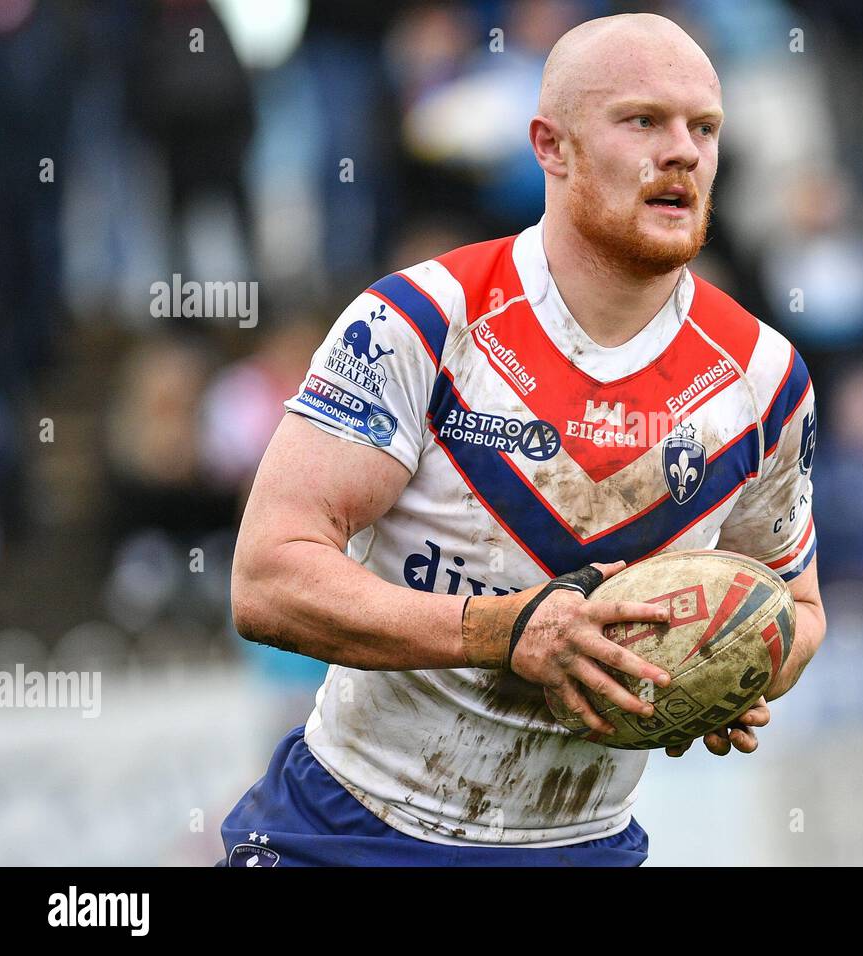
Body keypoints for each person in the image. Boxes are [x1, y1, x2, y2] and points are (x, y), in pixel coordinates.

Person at [218, 13, 825, 867]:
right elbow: (267, 578)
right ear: (552, 147)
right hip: (352, 832)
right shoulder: (421, 321)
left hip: (580, 849)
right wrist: (503, 633)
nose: (683, 151)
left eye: (705, 128)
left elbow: (797, 607)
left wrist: (735, 665)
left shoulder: (764, 377)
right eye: (643, 121)